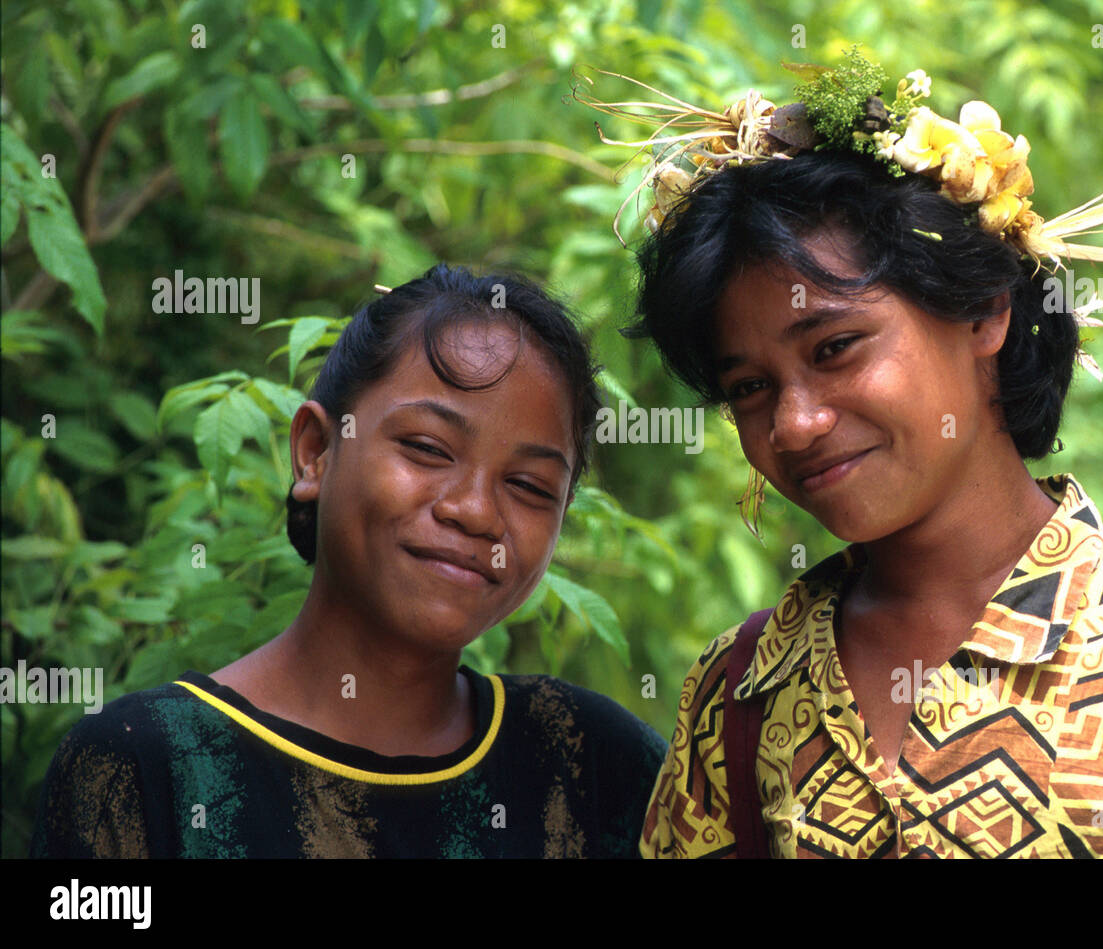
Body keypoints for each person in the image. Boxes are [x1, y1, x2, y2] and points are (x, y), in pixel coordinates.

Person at [578, 52, 1103, 857]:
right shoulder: (740, 692)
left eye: (835, 347)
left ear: (983, 311)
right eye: (749, 387)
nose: (795, 423)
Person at [30, 264, 666, 858]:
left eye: (528, 485)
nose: (475, 510)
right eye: (427, 448)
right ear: (315, 451)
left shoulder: (595, 766)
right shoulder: (143, 769)